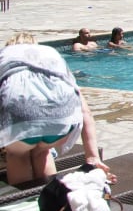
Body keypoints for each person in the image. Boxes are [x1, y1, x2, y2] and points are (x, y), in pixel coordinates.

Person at [0, 33, 112, 185]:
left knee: (18, 155)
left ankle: (24, 198)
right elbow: (85, 111)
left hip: (21, 117)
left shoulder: (4, 56)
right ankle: (49, 195)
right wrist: (92, 157)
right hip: (61, 120)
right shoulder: (52, 56)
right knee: (42, 151)